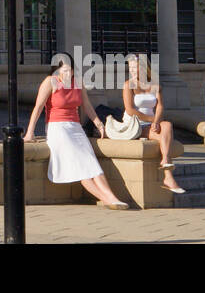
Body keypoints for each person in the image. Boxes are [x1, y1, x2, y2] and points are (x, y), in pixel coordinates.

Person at [25, 54, 129, 209]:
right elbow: (38, 107)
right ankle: (106, 200)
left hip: (75, 127)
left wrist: (99, 124)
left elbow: (87, 106)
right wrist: (29, 133)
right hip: (58, 127)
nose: (68, 74)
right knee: (81, 166)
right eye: (64, 70)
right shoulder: (50, 82)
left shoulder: (78, 83)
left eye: (70, 70)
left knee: (91, 162)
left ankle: (112, 197)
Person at [123, 55, 184, 194]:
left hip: (151, 122)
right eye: (130, 67)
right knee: (164, 135)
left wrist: (156, 121)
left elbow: (160, 107)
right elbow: (130, 110)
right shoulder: (128, 85)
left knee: (167, 125)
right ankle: (168, 175)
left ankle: (166, 161)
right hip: (135, 124)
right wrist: (152, 121)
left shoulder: (155, 85)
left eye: (135, 67)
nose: (131, 70)